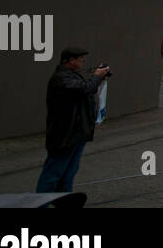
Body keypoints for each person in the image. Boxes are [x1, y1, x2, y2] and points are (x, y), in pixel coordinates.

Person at [36, 48, 110, 193]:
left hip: (76, 134)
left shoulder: (71, 76)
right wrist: (96, 77)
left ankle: (63, 202)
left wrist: (99, 79)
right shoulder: (61, 78)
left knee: (68, 174)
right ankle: (40, 204)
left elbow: (85, 91)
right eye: (81, 60)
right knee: (53, 174)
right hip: (64, 135)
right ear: (71, 60)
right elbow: (84, 89)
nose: (82, 63)